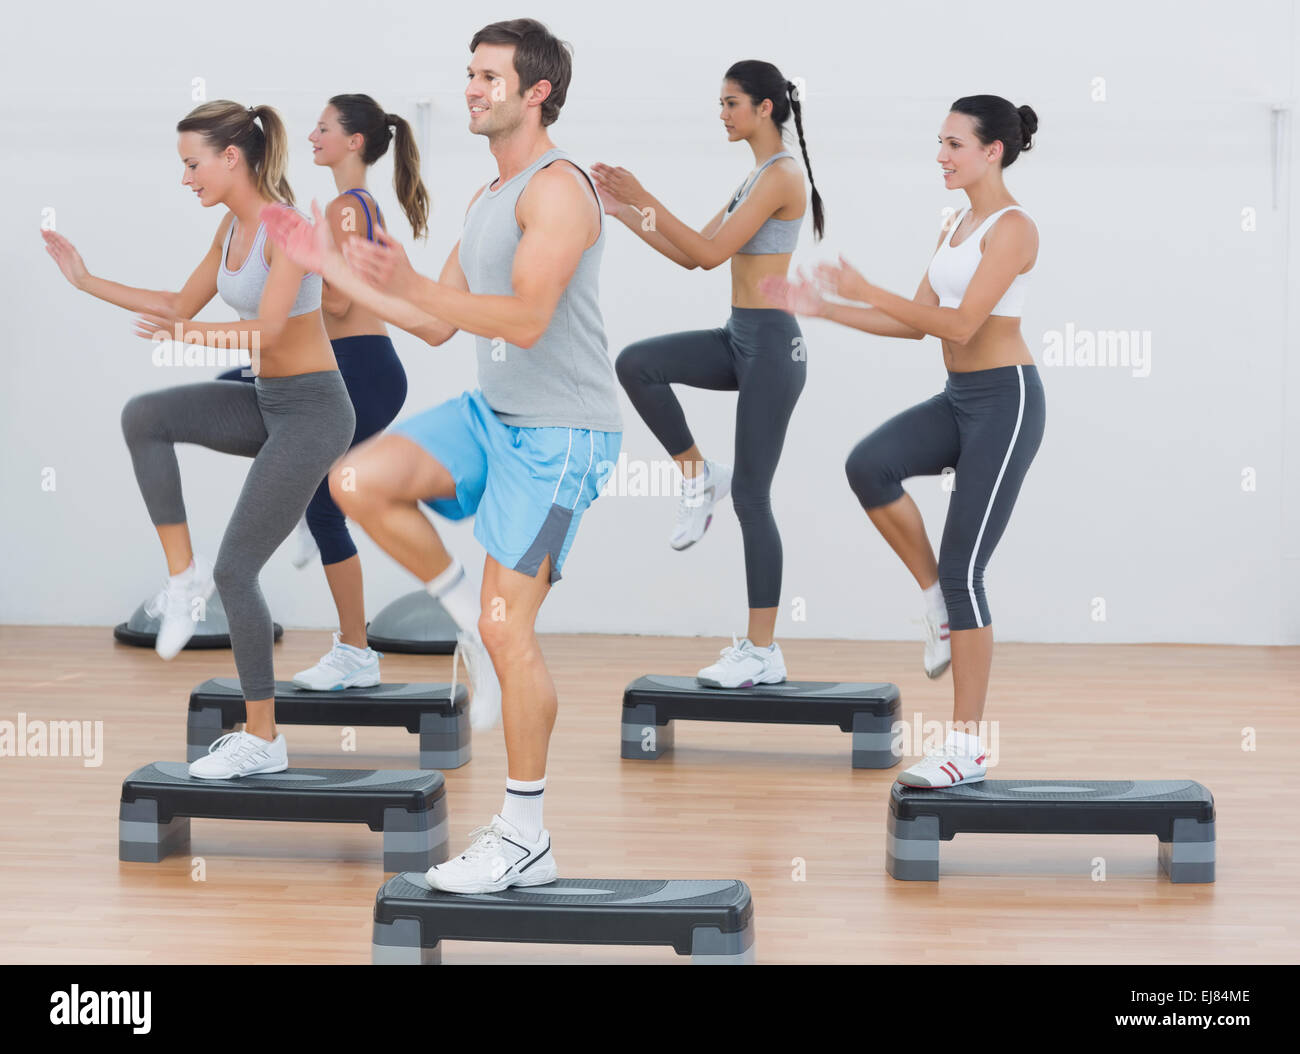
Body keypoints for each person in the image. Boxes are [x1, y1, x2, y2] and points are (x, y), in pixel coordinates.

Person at [263, 18, 620, 889]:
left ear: (535, 93)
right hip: (490, 414)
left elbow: (528, 320)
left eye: (489, 76)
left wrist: (412, 282)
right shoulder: (489, 199)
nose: (471, 86)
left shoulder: (559, 190)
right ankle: (460, 609)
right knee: (356, 478)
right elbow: (428, 324)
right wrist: (328, 265)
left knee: (513, 628)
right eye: (468, 72)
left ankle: (525, 834)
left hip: (563, 435)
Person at [43, 100, 355, 778]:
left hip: (315, 413)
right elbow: (176, 307)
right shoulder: (230, 230)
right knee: (145, 417)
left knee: (237, 571)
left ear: (231, 157)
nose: (186, 179)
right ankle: (181, 581)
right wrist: (87, 280)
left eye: (192, 165)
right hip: (268, 401)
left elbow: (269, 333)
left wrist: (185, 336)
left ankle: (265, 739)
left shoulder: (286, 228)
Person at [761, 95, 1045, 788]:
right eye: (940, 143)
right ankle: (936, 603)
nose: (941, 156)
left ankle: (967, 747)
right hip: (959, 399)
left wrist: (867, 287)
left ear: (993, 151)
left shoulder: (1014, 229)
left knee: (965, 568)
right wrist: (824, 306)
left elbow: (960, 326)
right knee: (871, 465)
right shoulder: (957, 224)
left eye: (954, 144)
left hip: (1005, 404)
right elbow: (919, 324)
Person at [591, 60, 824, 689]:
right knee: (639, 363)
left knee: (752, 498)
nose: (721, 114)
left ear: (766, 108)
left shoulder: (781, 178)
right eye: (719, 103)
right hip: (737, 336)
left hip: (773, 348)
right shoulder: (753, 179)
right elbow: (693, 252)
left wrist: (642, 196)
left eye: (731, 103)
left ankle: (762, 649)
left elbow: (710, 252)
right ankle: (698, 475)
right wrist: (623, 214)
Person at [213, 94, 427, 690]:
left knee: (325, 505)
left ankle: (356, 652)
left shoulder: (346, 208)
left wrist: (303, 268)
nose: (312, 135)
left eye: (324, 127)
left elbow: (338, 300)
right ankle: (353, 643)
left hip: (360, 366)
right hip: (351, 366)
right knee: (235, 394)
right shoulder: (343, 207)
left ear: (353, 141)